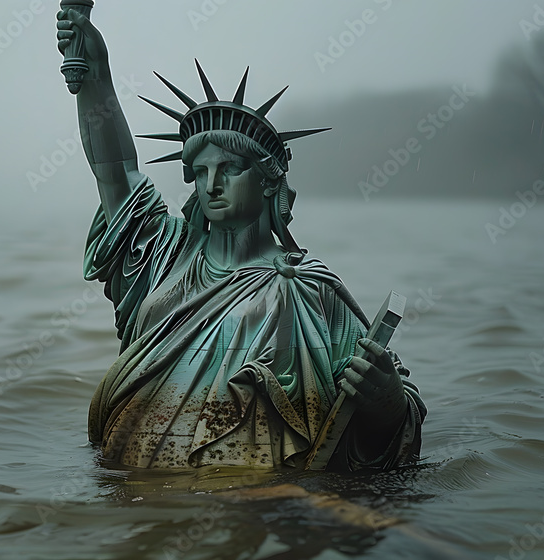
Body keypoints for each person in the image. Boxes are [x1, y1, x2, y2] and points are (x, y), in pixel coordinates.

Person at [56, 8, 425, 471]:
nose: (211, 184)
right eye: (200, 171)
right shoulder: (163, 255)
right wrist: (96, 76)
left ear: (268, 181)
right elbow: (114, 172)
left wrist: (387, 401)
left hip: (261, 506)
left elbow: (390, 419)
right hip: (132, 498)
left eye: (229, 168)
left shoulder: (309, 292)